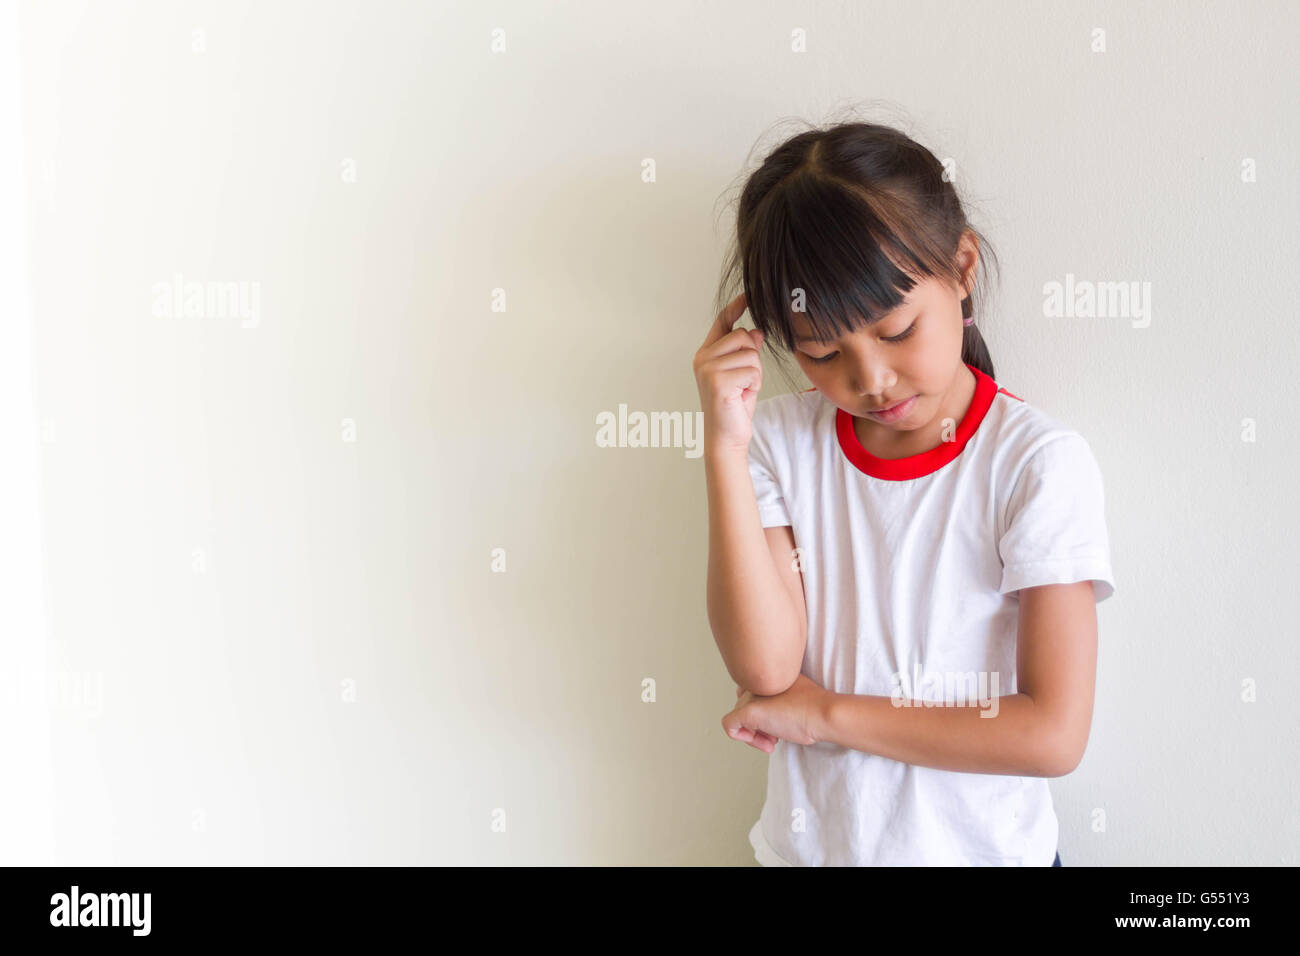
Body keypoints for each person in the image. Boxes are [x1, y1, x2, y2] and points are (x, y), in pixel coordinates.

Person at [693, 120, 1114, 866]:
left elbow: (1051, 734)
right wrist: (724, 448)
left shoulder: (1034, 465)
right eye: (822, 353)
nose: (871, 380)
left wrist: (825, 715)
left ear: (962, 266)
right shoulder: (780, 444)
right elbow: (764, 671)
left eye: (895, 331)